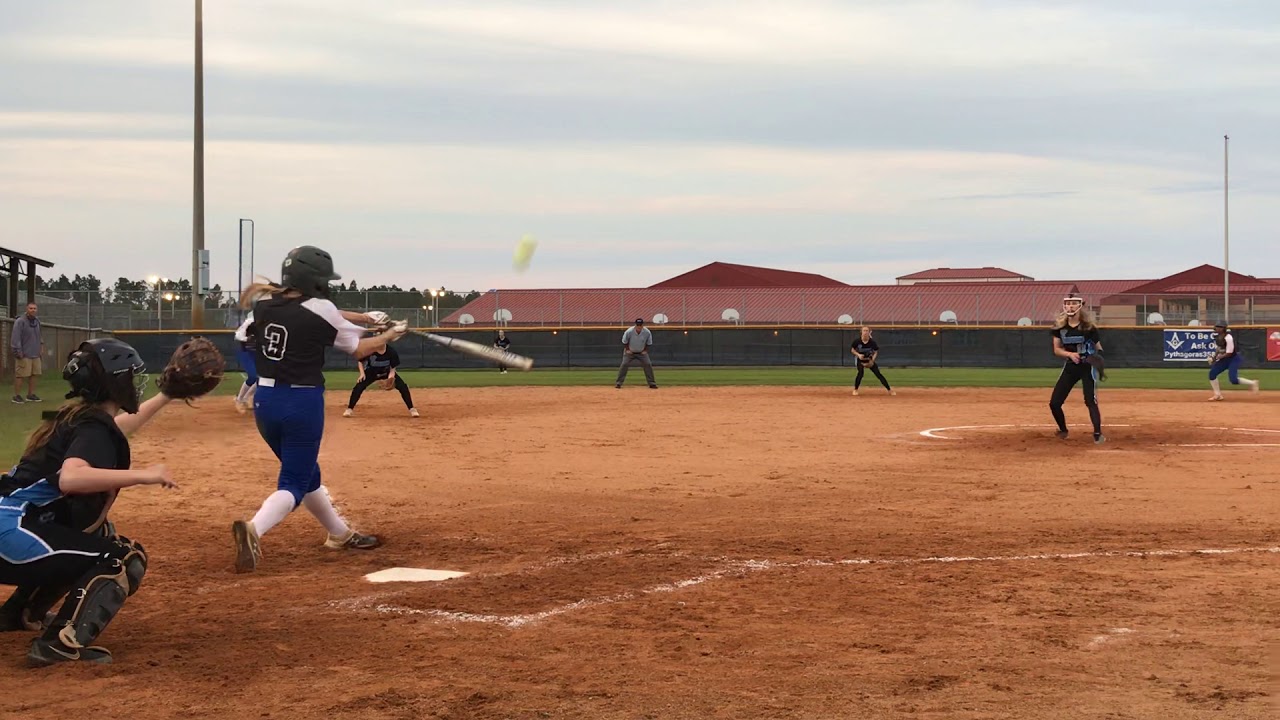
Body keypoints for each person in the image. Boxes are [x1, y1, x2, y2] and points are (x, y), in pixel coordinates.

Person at [0, 338, 178, 666]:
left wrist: (166, 397)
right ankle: (59, 645)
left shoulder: (78, 417)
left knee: (93, 536)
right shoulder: (92, 428)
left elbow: (115, 429)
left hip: (9, 526)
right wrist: (144, 475)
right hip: (9, 532)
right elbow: (72, 477)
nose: (135, 383)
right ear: (114, 383)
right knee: (121, 558)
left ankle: (17, 614)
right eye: (130, 376)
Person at [231, 245, 405, 574]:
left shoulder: (265, 304)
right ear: (314, 281)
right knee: (294, 482)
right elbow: (358, 349)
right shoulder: (321, 308)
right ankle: (254, 529)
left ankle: (339, 534)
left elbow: (323, 318)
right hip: (301, 403)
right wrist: (390, 335)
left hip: (264, 403)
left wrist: (373, 324)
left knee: (308, 474)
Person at [1049, 295, 1105, 444]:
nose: (1070, 307)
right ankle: (1063, 430)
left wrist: (1095, 358)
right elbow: (1056, 349)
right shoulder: (1060, 328)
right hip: (1071, 367)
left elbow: (1098, 348)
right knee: (1054, 403)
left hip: (1087, 367)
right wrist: (1069, 354)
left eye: (1074, 304)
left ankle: (1098, 434)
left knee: (1090, 400)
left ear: (1080, 306)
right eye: (1068, 304)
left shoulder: (1088, 328)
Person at [344, 341, 418, 418]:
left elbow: (393, 368)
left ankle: (412, 409)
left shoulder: (391, 352)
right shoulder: (369, 350)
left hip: (386, 372)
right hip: (371, 372)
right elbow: (360, 361)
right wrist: (362, 374)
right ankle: (349, 409)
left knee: (403, 387)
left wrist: (390, 378)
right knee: (358, 387)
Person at [1207, 322, 1260, 401]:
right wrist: (1214, 358)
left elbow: (1229, 353)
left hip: (1233, 359)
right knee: (1212, 374)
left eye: (1219, 327)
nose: (1217, 328)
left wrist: (1219, 357)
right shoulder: (1218, 337)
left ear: (1224, 329)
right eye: (1216, 327)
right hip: (1225, 359)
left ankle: (1253, 383)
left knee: (1233, 380)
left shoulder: (1228, 337)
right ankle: (1217, 395)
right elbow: (1219, 348)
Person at [11, 302, 44, 404]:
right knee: (20, 375)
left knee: (34, 374)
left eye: (34, 308)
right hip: (24, 354)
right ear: (27, 309)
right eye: (31, 308)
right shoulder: (20, 321)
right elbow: (16, 337)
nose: (33, 310)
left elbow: (39, 335)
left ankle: (30, 395)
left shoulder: (37, 321)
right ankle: (16, 396)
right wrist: (18, 351)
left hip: (35, 354)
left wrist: (41, 347)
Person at [850, 326, 894, 396]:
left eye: (867, 331)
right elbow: (852, 350)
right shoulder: (857, 341)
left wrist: (872, 360)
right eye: (864, 330)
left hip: (869, 360)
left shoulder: (872, 342)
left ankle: (889, 390)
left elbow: (876, 351)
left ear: (869, 332)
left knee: (878, 374)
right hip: (861, 360)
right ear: (861, 332)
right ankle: (855, 389)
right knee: (860, 373)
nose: (865, 332)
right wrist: (858, 355)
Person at [615, 318, 657, 389]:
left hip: (641, 353)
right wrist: (627, 350)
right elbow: (624, 341)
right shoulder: (629, 331)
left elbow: (649, 343)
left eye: (640, 325)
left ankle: (652, 383)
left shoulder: (647, 332)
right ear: (635, 325)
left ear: (642, 325)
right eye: (637, 325)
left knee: (648, 364)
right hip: (630, 352)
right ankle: (618, 383)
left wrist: (645, 350)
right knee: (624, 364)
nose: (639, 327)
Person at [233, 311, 260, 414]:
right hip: (246, 352)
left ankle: (247, 398)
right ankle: (239, 399)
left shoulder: (268, 323)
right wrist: (247, 338)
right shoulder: (250, 322)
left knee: (262, 377)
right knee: (253, 376)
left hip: (258, 353)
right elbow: (238, 335)